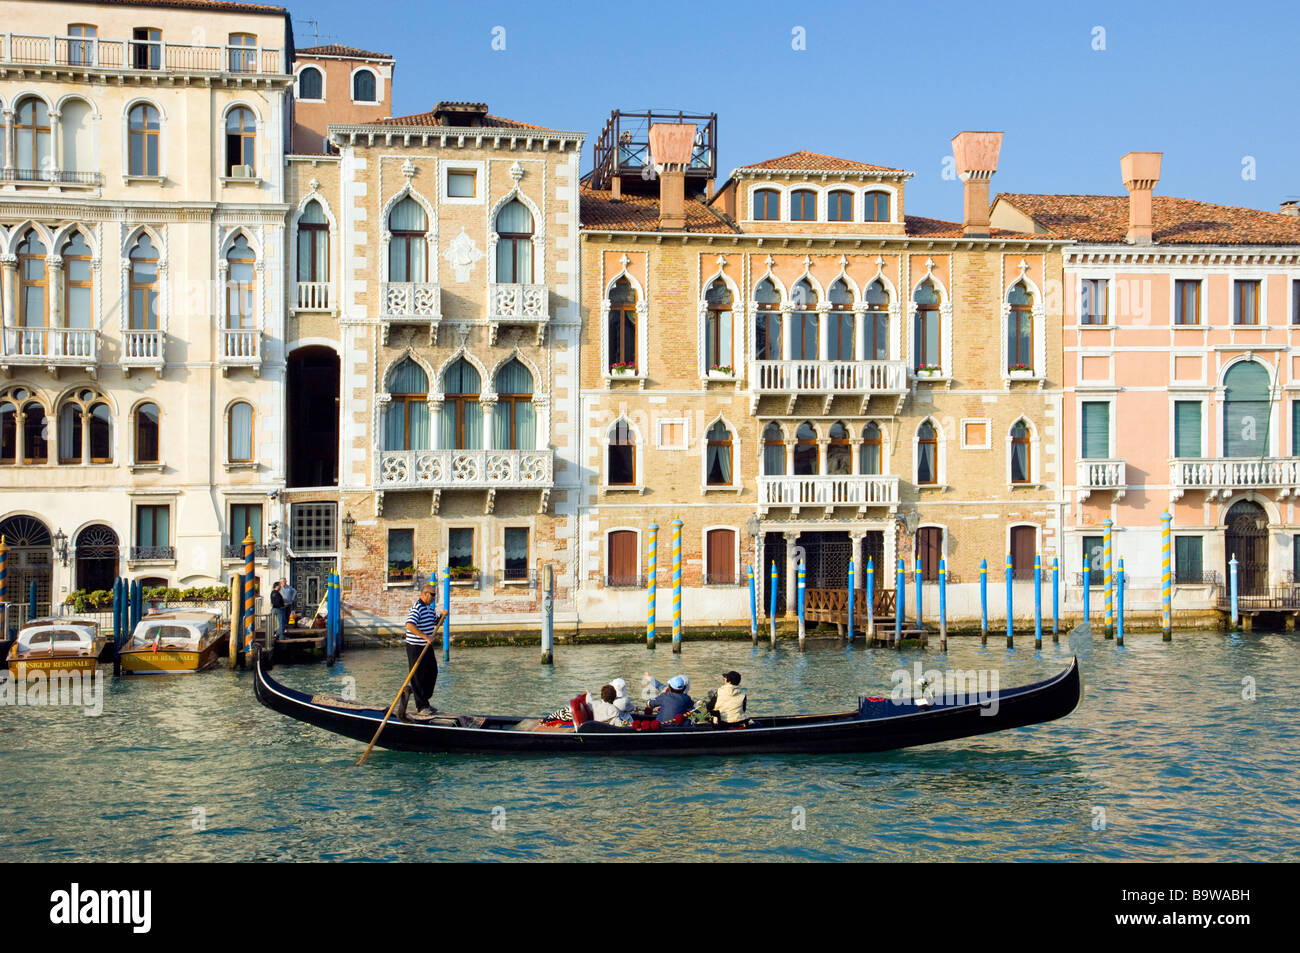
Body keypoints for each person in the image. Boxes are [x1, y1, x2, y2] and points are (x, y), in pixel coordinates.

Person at [398, 584, 442, 720]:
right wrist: (425, 637)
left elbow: (434, 621)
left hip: (426, 647)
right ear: (425, 594)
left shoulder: (429, 608)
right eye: (433, 595)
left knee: (432, 672)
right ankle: (421, 706)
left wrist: (442, 617)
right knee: (417, 676)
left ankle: (425, 701)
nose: (435, 597)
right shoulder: (417, 607)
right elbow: (409, 625)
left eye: (435, 595)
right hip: (415, 646)